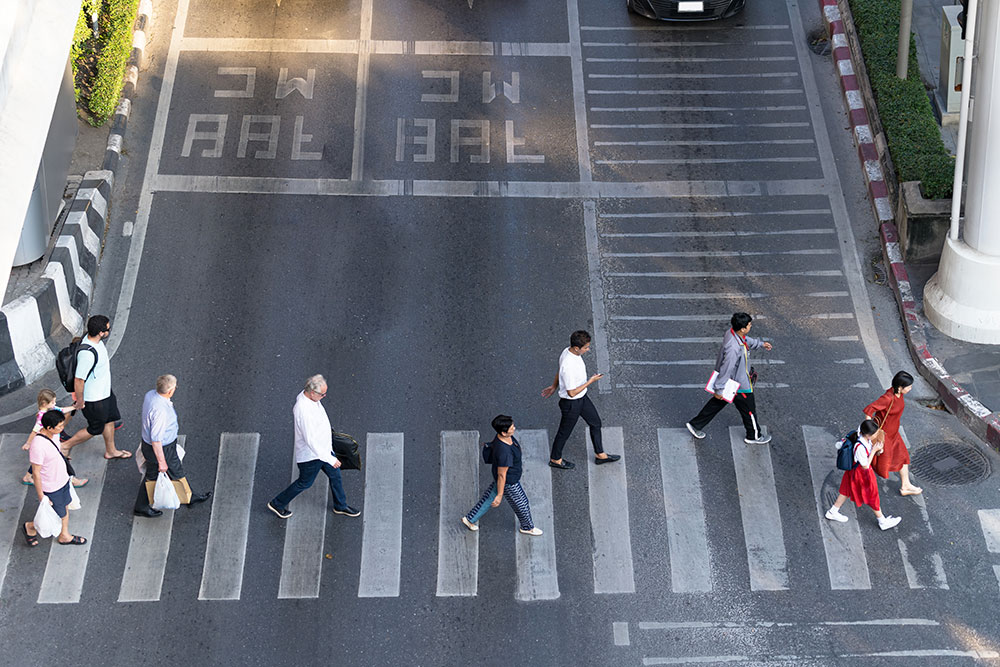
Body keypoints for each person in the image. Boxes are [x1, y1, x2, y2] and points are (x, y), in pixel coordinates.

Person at [267, 375, 360, 519]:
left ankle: (340, 506)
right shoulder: (303, 410)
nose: (324, 396)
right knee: (304, 483)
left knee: (336, 476)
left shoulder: (310, 399)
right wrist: (329, 458)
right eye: (322, 394)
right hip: (312, 456)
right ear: (312, 392)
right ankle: (277, 504)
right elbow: (310, 440)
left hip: (323, 450)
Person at [685, 312, 773, 445]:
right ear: (742, 328)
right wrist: (719, 388)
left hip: (733, 382)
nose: (750, 326)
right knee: (749, 410)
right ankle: (754, 436)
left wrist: (760, 344)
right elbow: (727, 368)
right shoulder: (733, 348)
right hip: (738, 384)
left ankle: (696, 425)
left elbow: (746, 340)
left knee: (717, 403)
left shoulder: (732, 333)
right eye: (749, 325)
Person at [541, 330, 620, 470]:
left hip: (582, 398)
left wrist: (554, 386)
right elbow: (571, 393)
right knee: (564, 432)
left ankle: (600, 454)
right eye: (586, 348)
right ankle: (555, 459)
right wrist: (591, 381)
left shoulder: (567, 351)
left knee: (595, 422)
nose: (588, 350)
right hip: (571, 404)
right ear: (577, 348)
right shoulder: (568, 365)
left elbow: (559, 371)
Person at [134, 375, 212, 517]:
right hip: (161, 448)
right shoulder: (160, 411)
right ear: (170, 391)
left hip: (161, 446)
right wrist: (162, 462)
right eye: (175, 386)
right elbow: (156, 439)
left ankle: (190, 496)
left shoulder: (150, 395)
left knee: (174, 470)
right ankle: (141, 506)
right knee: (155, 476)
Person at [60, 315, 131, 460]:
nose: (109, 330)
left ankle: (111, 451)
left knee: (110, 419)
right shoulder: (87, 354)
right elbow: (79, 380)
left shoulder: (93, 339)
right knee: (95, 428)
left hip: (105, 393)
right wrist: (80, 401)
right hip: (94, 399)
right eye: (107, 329)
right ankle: (65, 446)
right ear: (100, 333)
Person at [461, 415, 542, 536]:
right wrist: (500, 495)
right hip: (509, 481)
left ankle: (470, 518)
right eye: (511, 427)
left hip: (506, 478)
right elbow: (501, 475)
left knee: (489, 498)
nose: (514, 428)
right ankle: (527, 527)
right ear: (504, 433)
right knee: (522, 503)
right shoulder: (505, 453)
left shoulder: (501, 437)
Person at [22, 410, 87, 546]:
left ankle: (64, 535)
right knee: (58, 513)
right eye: (60, 426)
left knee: (64, 507)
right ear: (49, 428)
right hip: (52, 486)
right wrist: (41, 496)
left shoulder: (54, 435)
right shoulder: (38, 446)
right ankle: (31, 527)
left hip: (63, 479)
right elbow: (36, 472)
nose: (62, 428)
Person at [825, 419, 902, 530]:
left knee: (846, 490)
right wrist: (874, 451)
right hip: (862, 474)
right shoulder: (860, 447)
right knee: (872, 495)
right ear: (868, 435)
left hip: (853, 472)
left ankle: (833, 511)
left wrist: (876, 449)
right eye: (875, 434)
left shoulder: (862, 436)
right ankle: (882, 521)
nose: (877, 435)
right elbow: (865, 465)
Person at [865, 371, 921, 496]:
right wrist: (870, 431)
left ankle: (905, 485)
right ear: (900, 387)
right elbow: (869, 410)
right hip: (885, 436)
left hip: (894, 434)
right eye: (909, 386)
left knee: (903, 457)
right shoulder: (887, 398)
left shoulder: (898, 394)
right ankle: (857, 482)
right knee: (874, 461)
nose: (911, 388)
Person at [21, 389, 87, 488]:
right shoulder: (42, 416)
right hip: (49, 444)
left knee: (41, 461)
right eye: (53, 402)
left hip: (52, 442)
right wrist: (28, 443)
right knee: (61, 461)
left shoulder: (50, 409)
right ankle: (72, 479)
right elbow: (35, 431)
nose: (54, 403)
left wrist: (74, 407)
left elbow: (61, 410)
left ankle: (27, 477)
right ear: (44, 403)